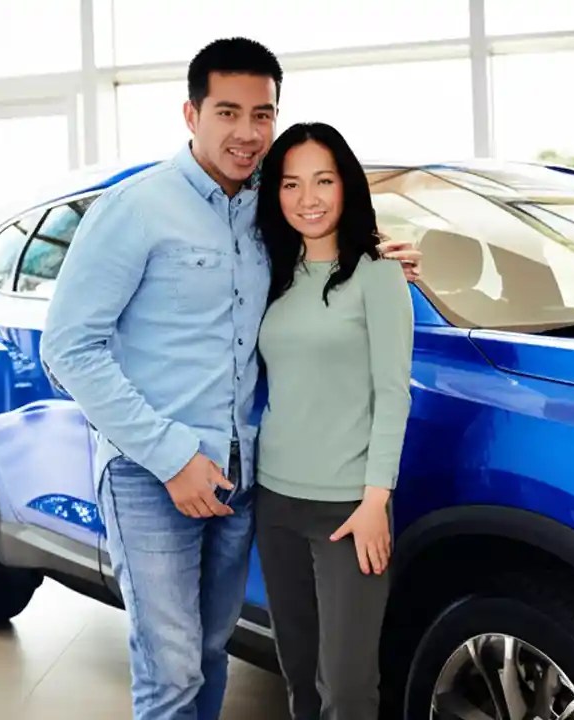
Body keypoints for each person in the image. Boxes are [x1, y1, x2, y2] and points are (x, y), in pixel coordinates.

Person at [39, 38, 420, 720]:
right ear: (191, 114)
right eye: (228, 112)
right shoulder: (136, 207)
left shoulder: (265, 210)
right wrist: (171, 456)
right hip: (150, 475)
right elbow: (67, 348)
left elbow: (324, 236)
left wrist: (383, 258)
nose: (247, 132)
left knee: (212, 651)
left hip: (242, 474)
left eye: (262, 114)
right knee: (172, 669)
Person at [252, 121, 414, 720]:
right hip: (275, 501)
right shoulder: (270, 272)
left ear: (346, 185)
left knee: (346, 691)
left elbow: (393, 393)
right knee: (298, 678)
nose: (308, 198)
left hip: (350, 507)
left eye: (323, 180)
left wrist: (376, 501)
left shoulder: (379, 271)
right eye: (291, 184)